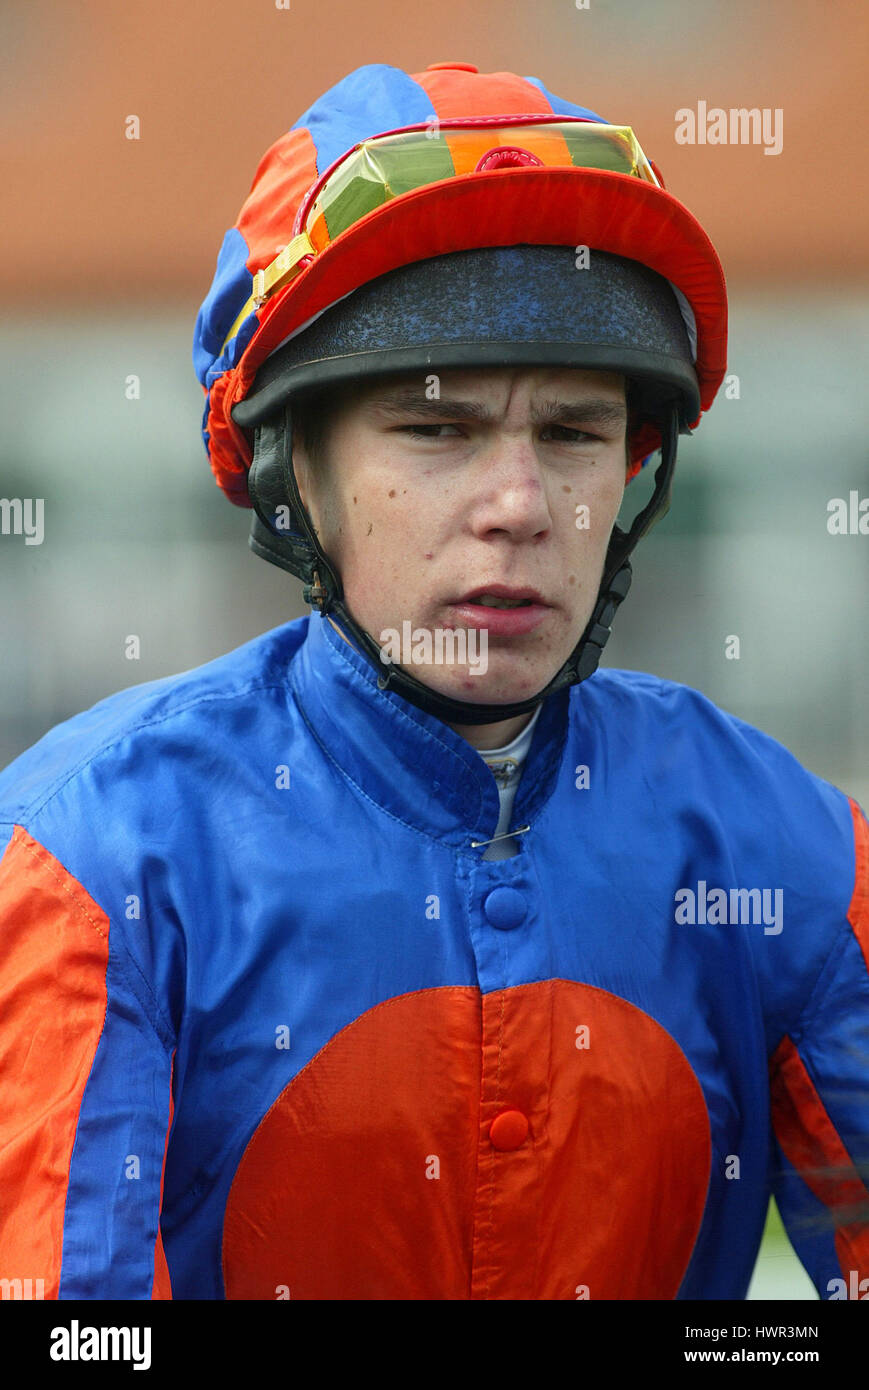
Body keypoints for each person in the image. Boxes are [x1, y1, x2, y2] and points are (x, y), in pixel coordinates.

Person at [0, 60, 866, 1302]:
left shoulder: (785, 848)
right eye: (437, 429)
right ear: (297, 468)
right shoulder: (94, 857)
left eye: (572, 433)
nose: (518, 505)